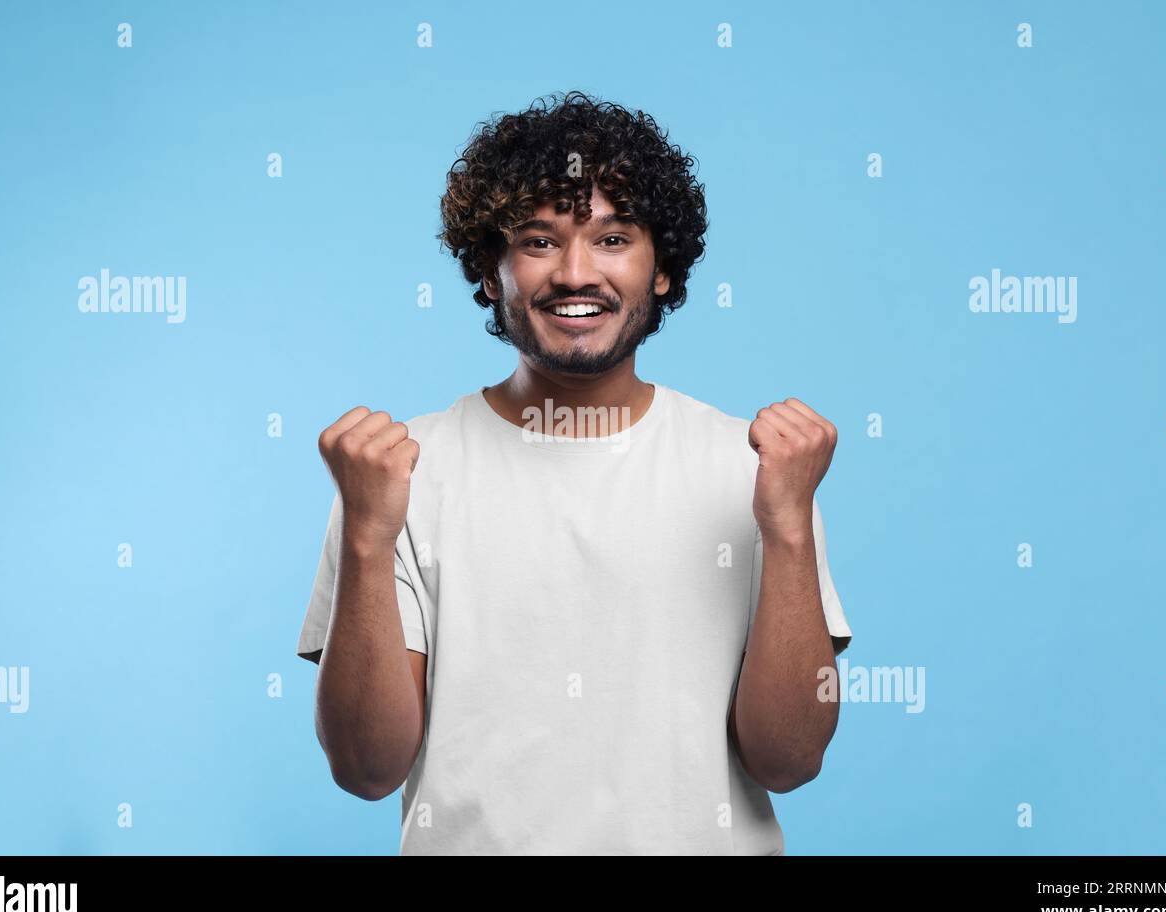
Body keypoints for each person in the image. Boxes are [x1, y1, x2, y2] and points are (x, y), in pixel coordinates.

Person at [297, 91, 853, 855]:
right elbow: (365, 768)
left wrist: (788, 527)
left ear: (663, 270)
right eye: (538, 241)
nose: (576, 273)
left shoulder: (756, 472)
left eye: (614, 237)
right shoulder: (396, 478)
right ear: (489, 273)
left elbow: (789, 760)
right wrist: (366, 536)